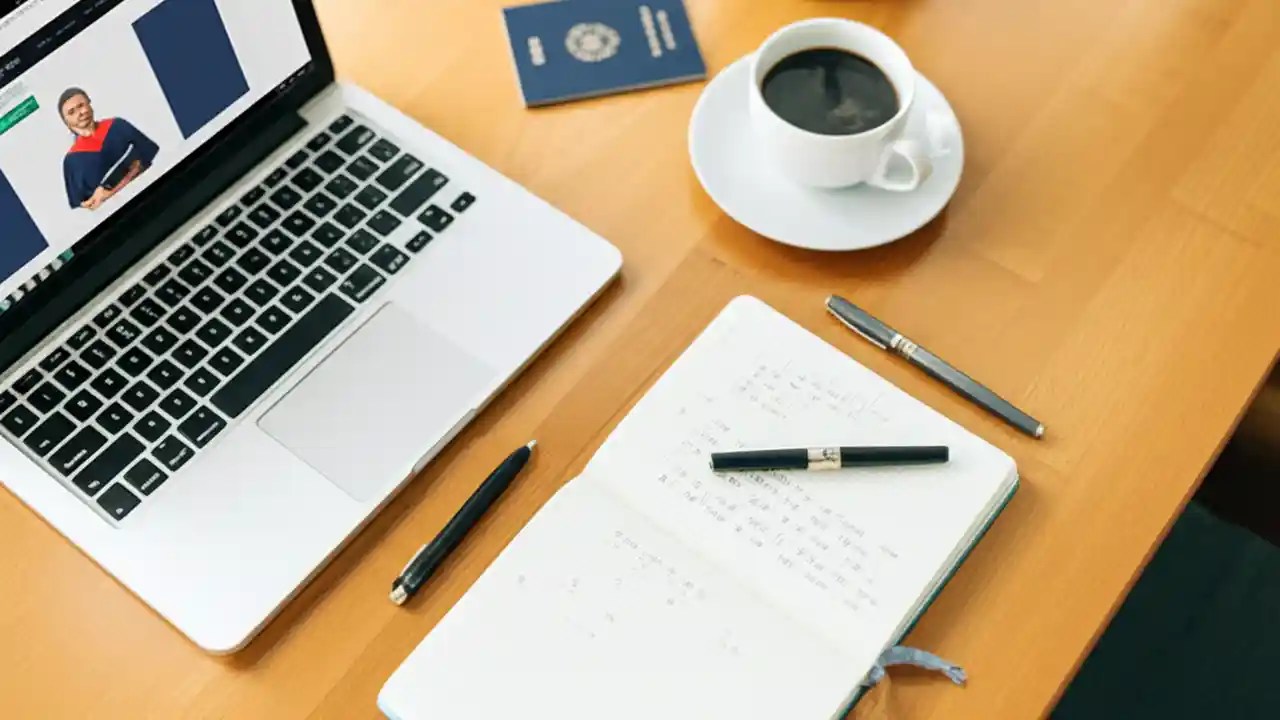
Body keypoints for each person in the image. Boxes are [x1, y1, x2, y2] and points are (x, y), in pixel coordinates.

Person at [59, 87, 159, 211]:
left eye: (81, 105)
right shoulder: (72, 161)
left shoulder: (118, 126)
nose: (79, 113)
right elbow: (80, 205)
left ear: (89, 103)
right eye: (71, 112)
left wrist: (109, 191)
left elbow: (150, 152)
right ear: (66, 121)